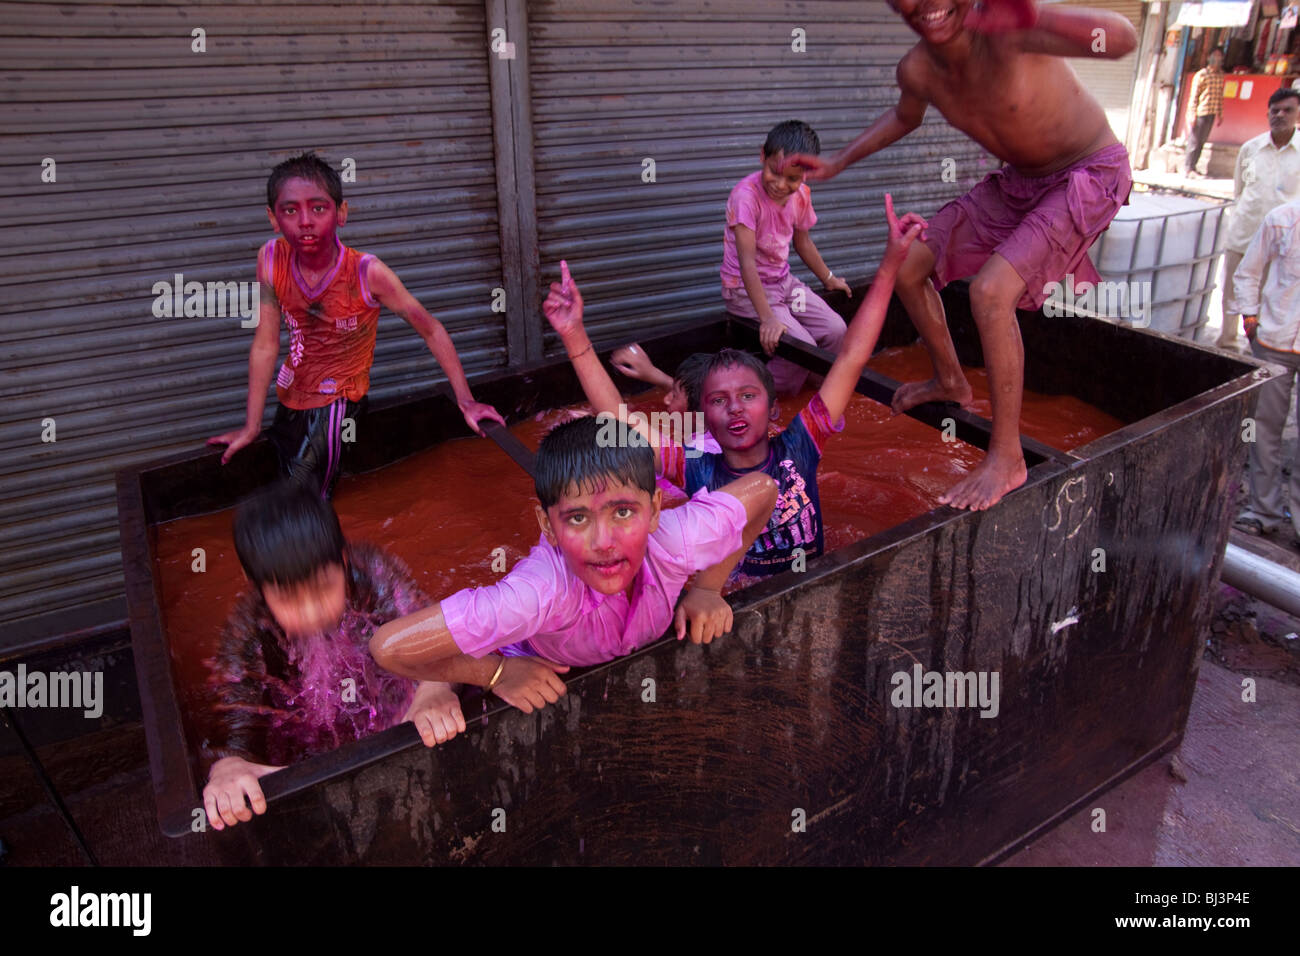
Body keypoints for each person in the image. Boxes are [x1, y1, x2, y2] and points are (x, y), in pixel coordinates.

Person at [788, 0, 1136, 511]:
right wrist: (839, 160)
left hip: (1088, 172)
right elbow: (905, 115)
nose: (925, 6)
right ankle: (950, 379)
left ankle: (1007, 455)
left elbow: (1122, 38)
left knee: (991, 292)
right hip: (1018, 182)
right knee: (909, 266)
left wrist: (1033, 14)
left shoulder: (1012, 31)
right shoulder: (917, 68)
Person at [546, 197, 926, 577]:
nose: (735, 408)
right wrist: (573, 334)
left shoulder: (801, 444)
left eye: (748, 395)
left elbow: (851, 359)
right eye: (719, 400)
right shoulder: (694, 469)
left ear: (774, 409)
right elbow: (617, 418)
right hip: (737, 598)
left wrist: (891, 264)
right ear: (704, 419)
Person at [368, 416, 777, 709]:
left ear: (654, 510)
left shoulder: (675, 538)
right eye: (578, 518)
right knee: (434, 699)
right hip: (521, 656)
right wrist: (496, 674)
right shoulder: (540, 592)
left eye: (623, 512)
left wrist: (707, 587)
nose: (604, 542)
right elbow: (389, 648)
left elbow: (763, 489)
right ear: (547, 526)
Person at [208, 151, 504, 497]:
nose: (305, 221)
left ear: (341, 213)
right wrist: (251, 425)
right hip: (290, 399)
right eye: (290, 210)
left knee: (303, 505)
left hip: (337, 406)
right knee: (288, 495)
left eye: (319, 208)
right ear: (274, 218)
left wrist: (465, 399)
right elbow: (266, 342)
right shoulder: (270, 258)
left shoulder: (367, 273)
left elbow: (431, 328)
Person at [201, 482, 464, 830]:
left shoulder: (374, 576)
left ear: (342, 560)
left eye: (323, 588)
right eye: (289, 598)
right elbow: (232, 724)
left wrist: (434, 687)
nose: (311, 613)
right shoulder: (248, 629)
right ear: (258, 585)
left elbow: (440, 636)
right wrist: (228, 766)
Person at [720, 120, 854, 396]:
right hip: (745, 290)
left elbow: (803, 242)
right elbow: (747, 263)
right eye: (774, 172)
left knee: (836, 329)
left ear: (806, 175)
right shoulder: (746, 197)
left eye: (792, 179)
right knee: (801, 346)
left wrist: (828, 279)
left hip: (783, 283)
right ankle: (757, 397)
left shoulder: (802, 195)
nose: (780, 185)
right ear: (762, 156)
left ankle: (818, 389)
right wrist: (767, 318)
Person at [1227, 196, 1300, 542]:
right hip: (1274, 339)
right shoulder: (1283, 218)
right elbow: (1249, 270)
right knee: (1263, 431)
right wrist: (1250, 317)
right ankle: (1264, 511)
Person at [1216, 87, 1300, 351]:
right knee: (1232, 294)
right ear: (1267, 114)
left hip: (1283, 243)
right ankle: (1227, 346)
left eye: (1287, 110)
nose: (1280, 115)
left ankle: (1260, 351)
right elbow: (1241, 190)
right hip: (1244, 234)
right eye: (1274, 111)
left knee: (1272, 299)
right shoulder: (1251, 149)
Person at [611, 345, 721, 453]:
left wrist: (617, 412)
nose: (665, 399)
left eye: (674, 395)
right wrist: (652, 373)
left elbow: (658, 452)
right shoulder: (723, 421)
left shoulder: (699, 452)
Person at [1183, 48, 1225, 179]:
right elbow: (1194, 96)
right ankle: (1188, 168)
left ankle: (1194, 167)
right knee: (1194, 141)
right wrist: (1192, 114)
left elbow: (1220, 97)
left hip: (1211, 113)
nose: (1217, 59)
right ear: (1209, 58)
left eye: (1219, 56)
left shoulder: (1220, 75)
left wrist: (1220, 114)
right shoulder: (1201, 75)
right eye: (1214, 56)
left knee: (1202, 142)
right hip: (1200, 112)